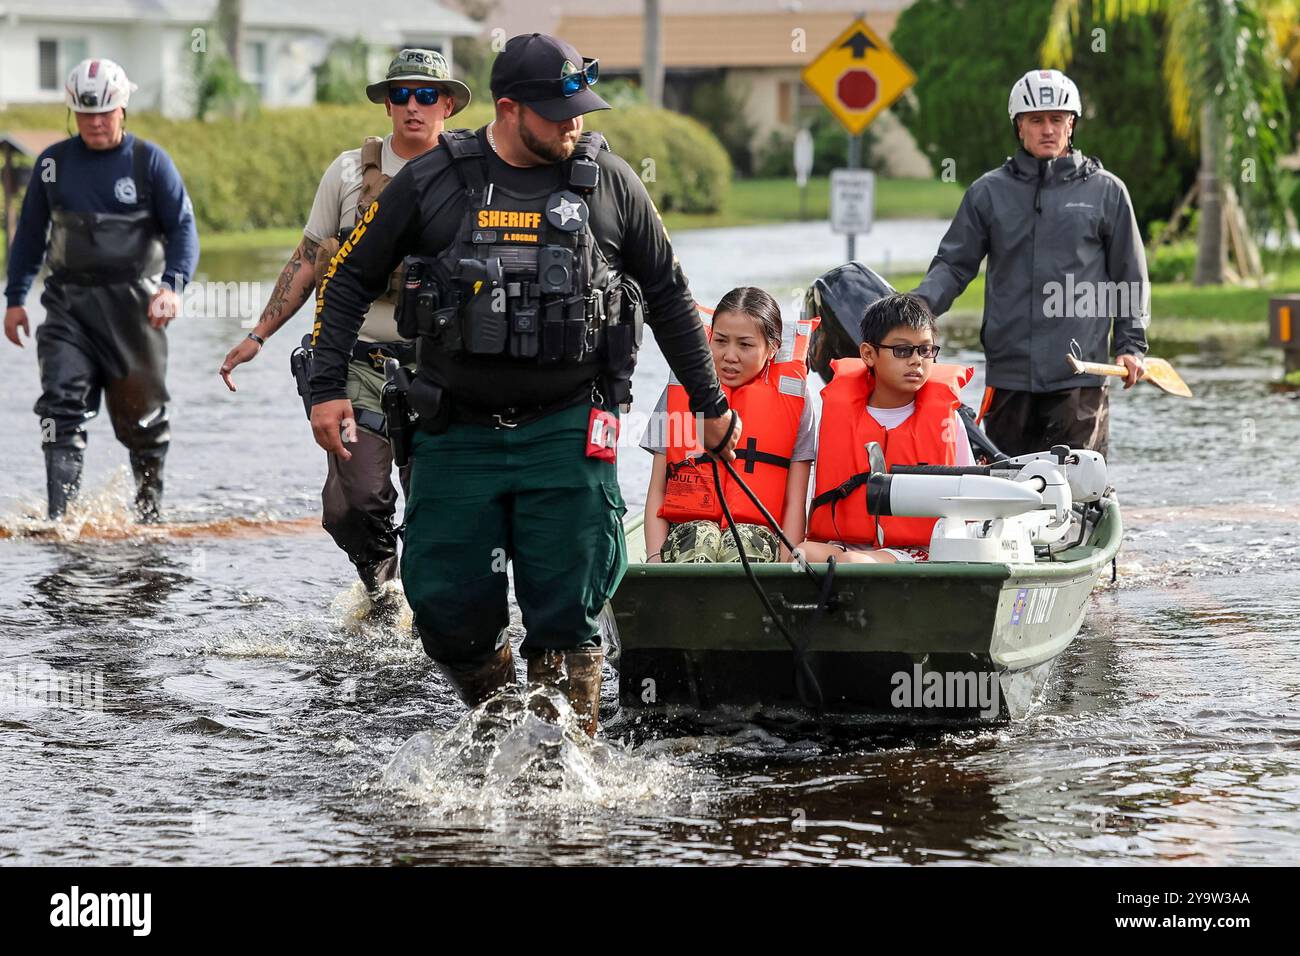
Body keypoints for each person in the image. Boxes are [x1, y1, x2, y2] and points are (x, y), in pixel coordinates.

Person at [304, 33, 740, 735]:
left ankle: (568, 760)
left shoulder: (612, 184)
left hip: (568, 427)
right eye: (558, 112)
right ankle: (502, 712)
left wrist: (711, 405)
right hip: (455, 429)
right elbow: (349, 278)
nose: (576, 124)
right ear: (508, 109)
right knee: (445, 605)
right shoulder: (433, 181)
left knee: (569, 607)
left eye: (581, 110)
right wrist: (328, 386)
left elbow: (666, 293)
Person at [218, 50, 469, 610]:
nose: (412, 106)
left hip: (441, 367)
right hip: (356, 363)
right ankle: (384, 588)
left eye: (426, 95)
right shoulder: (349, 174)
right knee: (353, 502)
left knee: (443, 504)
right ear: (385, 103)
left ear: (447, 104)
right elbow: (307, 260)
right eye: (400, 94)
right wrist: (258, 334)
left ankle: (434, 608)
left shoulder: (469, 175)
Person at [911, 69, 1149, 459]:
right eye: (1036, 120)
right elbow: (953, 266)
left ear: (1071, 125)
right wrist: (914, 312)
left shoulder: (1107, 192)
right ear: (1019, 127)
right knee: (1008, 487)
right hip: (1009, 376)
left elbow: (1130, 277)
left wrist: (1131, 344)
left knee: (1076, 490)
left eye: (1057, 119)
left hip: (1080, 376)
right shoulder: (988, 192)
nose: (1047, 129)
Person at [3, 59, 198, 521]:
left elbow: (184, 231)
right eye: (85, 114)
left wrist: (172, 287)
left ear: (123, 107)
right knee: (60, 406)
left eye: (104, 113)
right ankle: (61, 519)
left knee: (144, 421)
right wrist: (14, 299)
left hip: (135, 311)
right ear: (73, 111)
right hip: (68, 309)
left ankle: (149, 518)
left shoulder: (149, 163)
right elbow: (30, 235)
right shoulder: (52, 165)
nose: (95, 123)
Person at [641, 287, 816, 564]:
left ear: (772, 348)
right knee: (701, 537)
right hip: (686, 533)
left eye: (745, 345)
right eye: (721, 341)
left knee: (742, 540)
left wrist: (786, 565)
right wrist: (653, 557)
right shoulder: (680, 389)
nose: (730, 355)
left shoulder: (796, 398)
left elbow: (795, 501)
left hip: (759, 536)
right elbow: (658, 490)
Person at [799, 294, 973, 564]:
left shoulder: (949, 421)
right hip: (846, 543)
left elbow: (971, 495)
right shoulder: (834, 418)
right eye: (902, 351)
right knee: (801, 554)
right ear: (868, 354)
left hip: (918, 550)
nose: (916, 360)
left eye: (925, 350)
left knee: (852, 564)